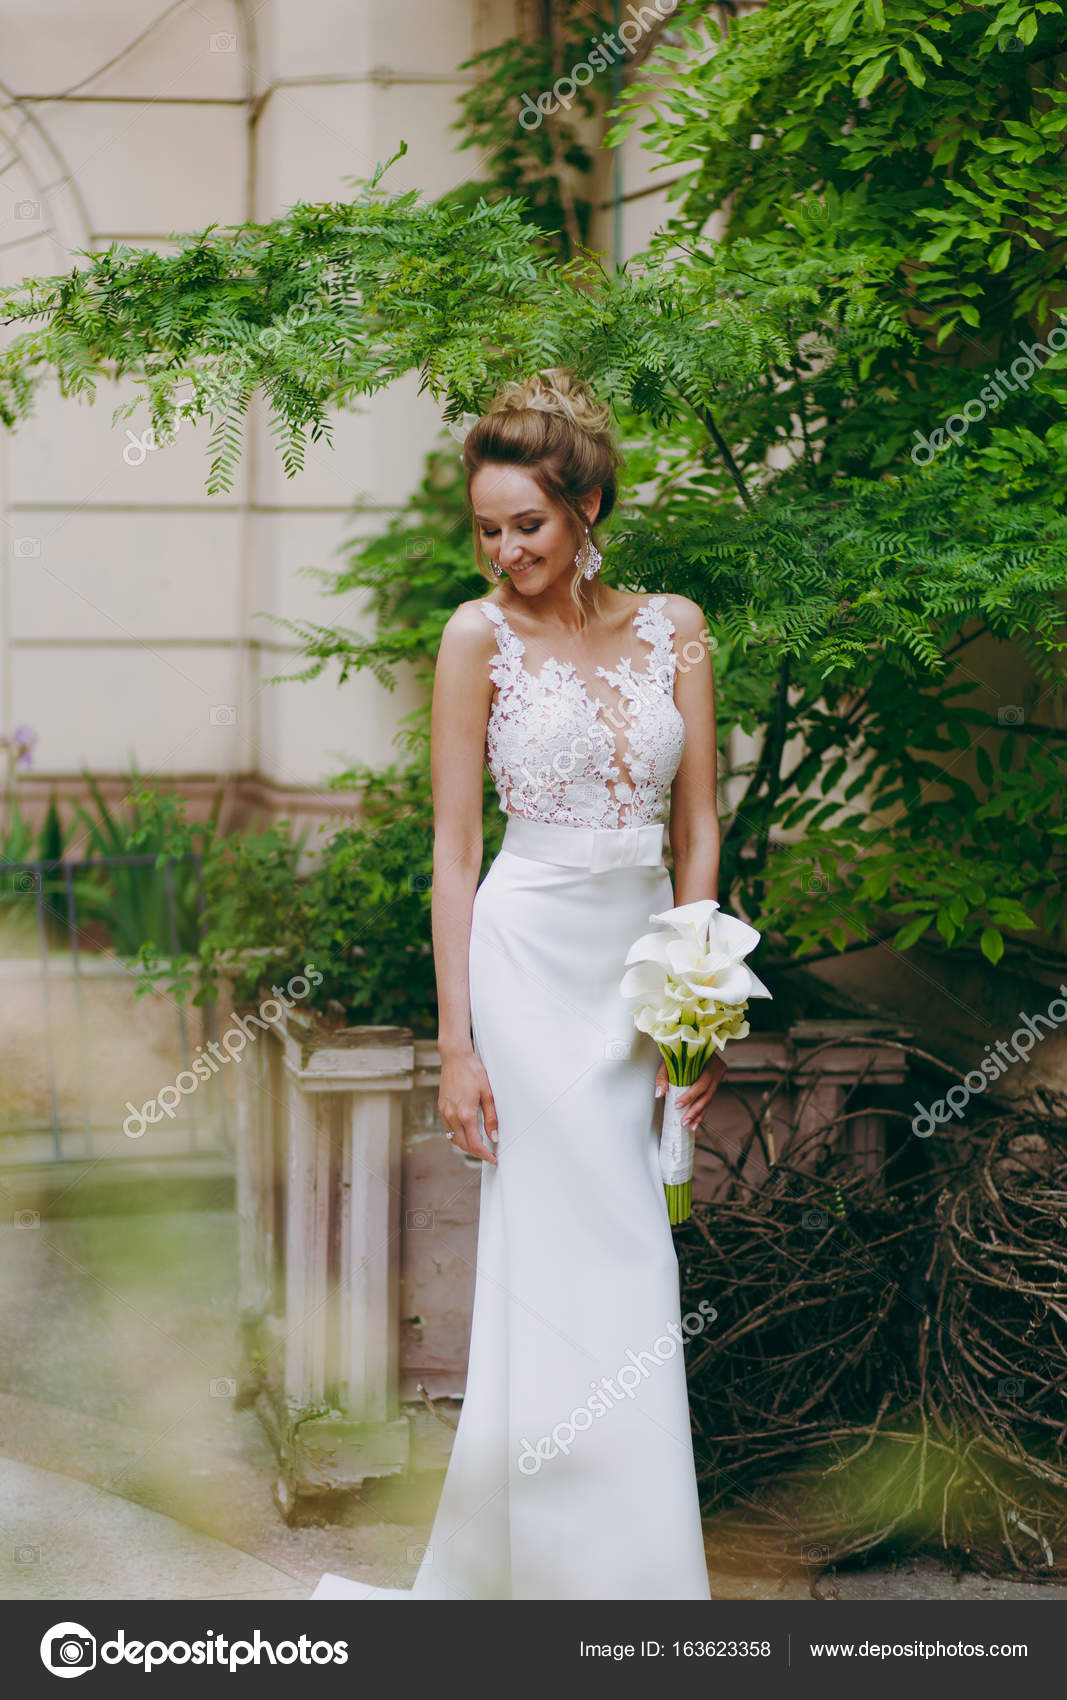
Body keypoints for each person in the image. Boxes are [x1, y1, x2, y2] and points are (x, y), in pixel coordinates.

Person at [311, 368, 724, 1601]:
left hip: (638, 960)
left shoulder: (676, 626)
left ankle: (633, 1577)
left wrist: (692, 1007)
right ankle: (544, 1579)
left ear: (586, 501)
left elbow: (698, 827)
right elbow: (450, 850)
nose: (504, 551)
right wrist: (456, 1044)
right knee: (555, 1252)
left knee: (637, 1260)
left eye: (527, 524)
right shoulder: (471, 634)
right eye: (486, 528)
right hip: (525, 956)